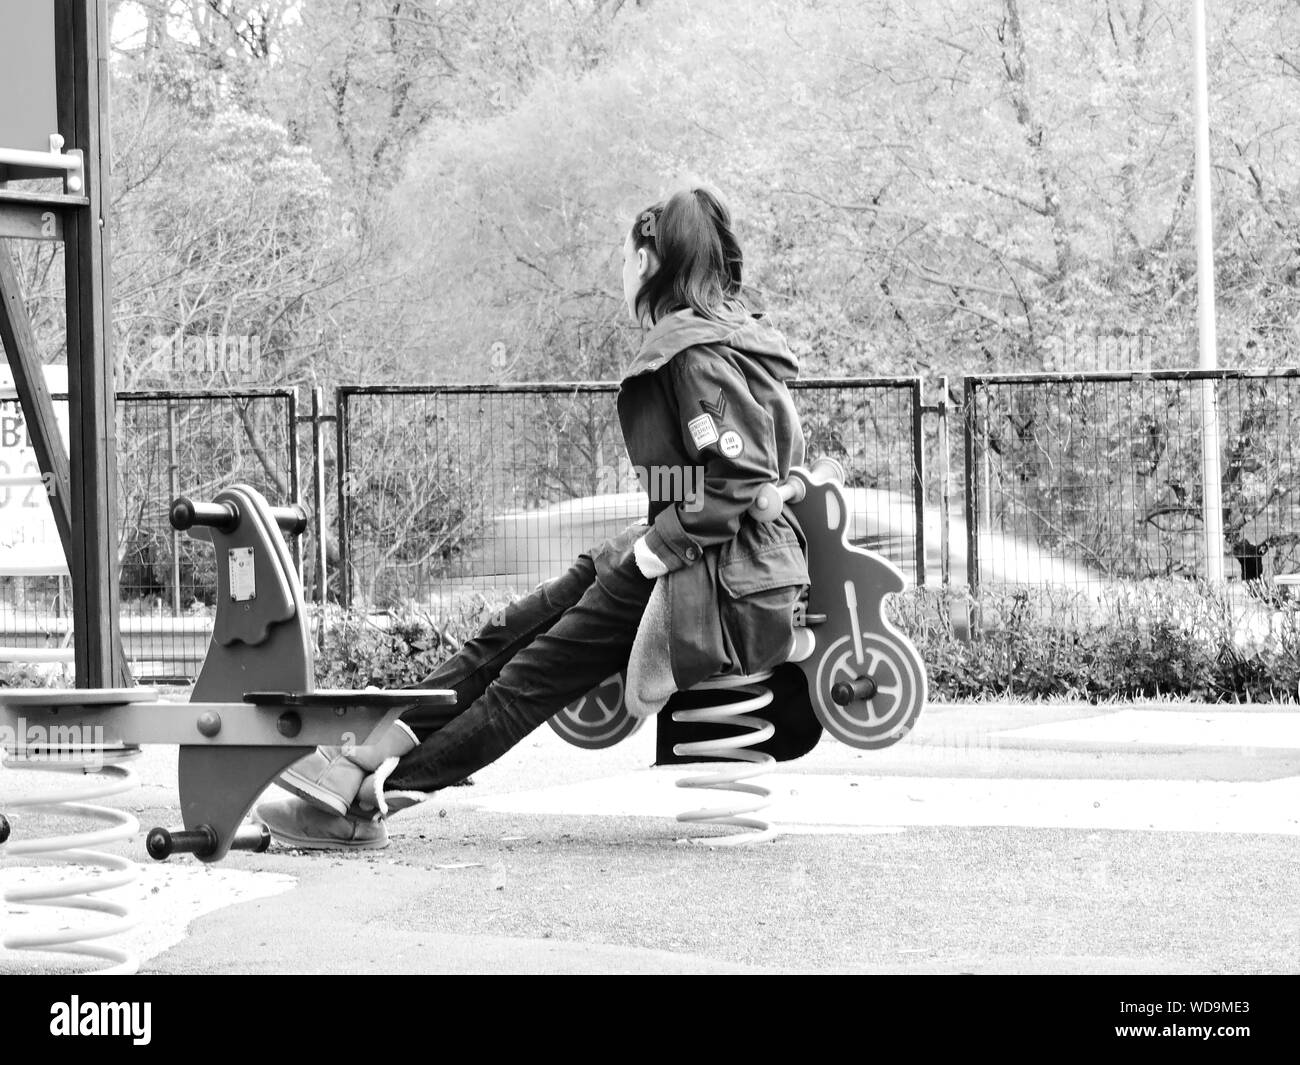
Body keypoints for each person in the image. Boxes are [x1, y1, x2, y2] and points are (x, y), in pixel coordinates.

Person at [256, 185, 810, 849]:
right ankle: (359, 756)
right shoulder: (733, 339)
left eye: (627, 254)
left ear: (651, 261)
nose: (621, 268)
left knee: (523, 682)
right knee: (503, 637)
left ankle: (362, 807)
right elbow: (756, 464)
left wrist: (654, 548)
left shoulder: (697, 354)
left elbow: (736, 476)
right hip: (693, 552)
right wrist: (647, 543)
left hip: (709, 573)